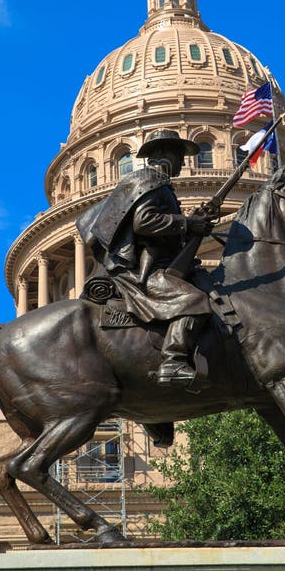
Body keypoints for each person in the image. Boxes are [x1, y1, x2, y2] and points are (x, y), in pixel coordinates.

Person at [76, 129, 215, 387]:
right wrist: (186, 223)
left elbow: (160, 233)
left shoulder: (157, 184)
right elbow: (143, 222)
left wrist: (192, 225)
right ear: (162, 154)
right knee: (194, 300)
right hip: (144, 271)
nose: (183, 162)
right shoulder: (150, 180)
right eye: (178, 155)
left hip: (160, 263)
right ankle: (173, 361)